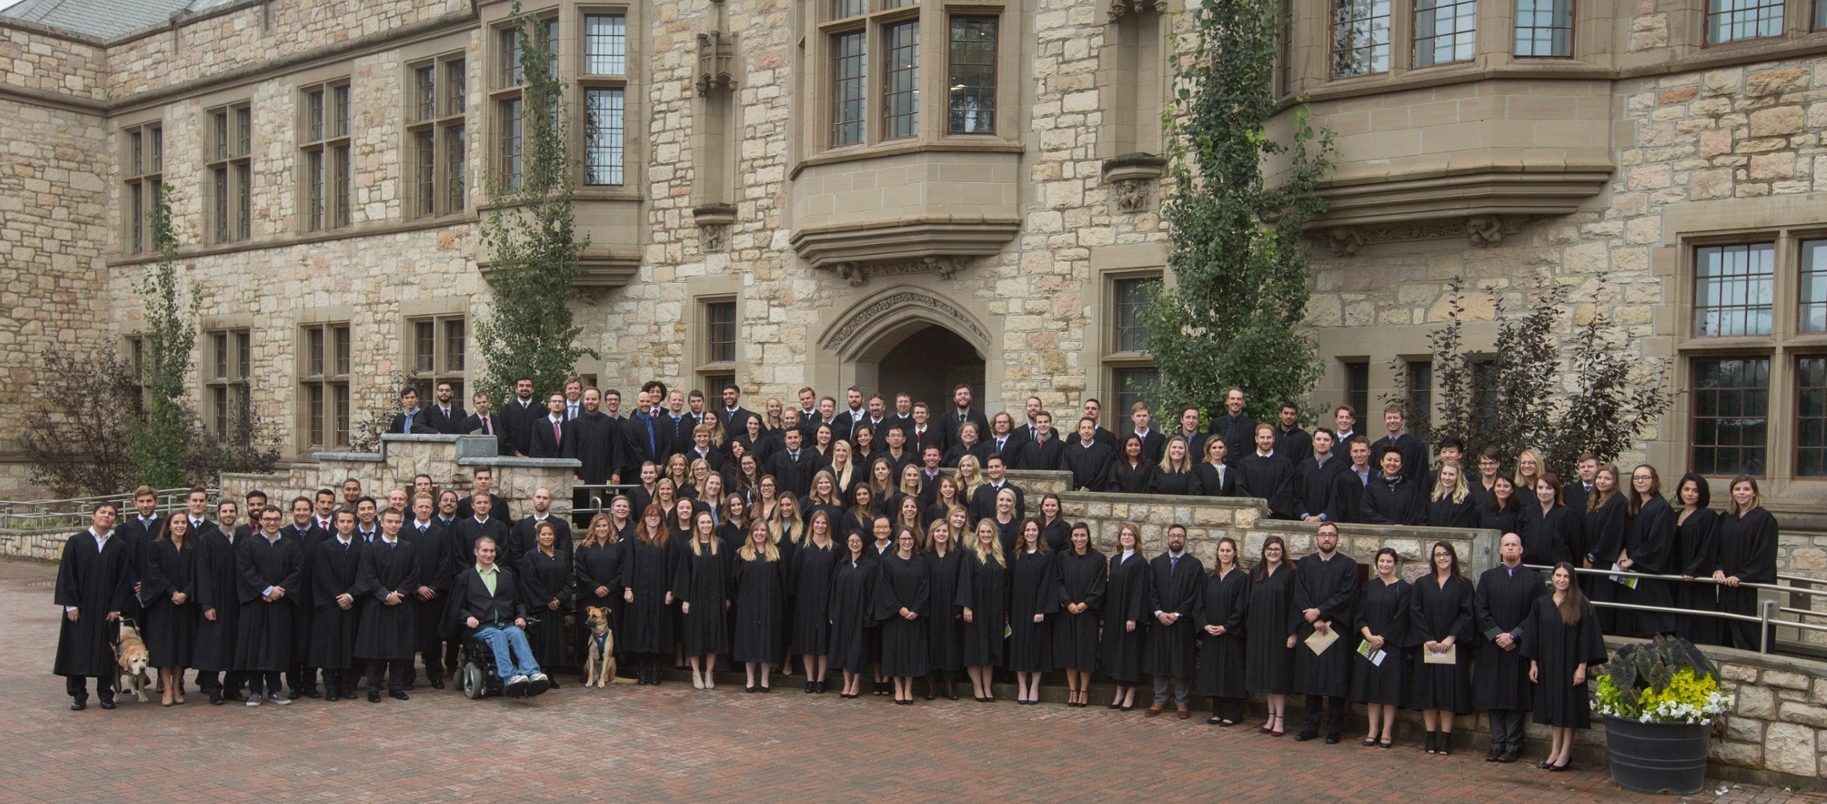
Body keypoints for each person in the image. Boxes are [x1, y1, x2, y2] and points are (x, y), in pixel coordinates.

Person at [1523, 562, 1608, 772]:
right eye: (1558, 575)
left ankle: (1565, 753)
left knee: (1569, 708)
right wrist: (1533, 663)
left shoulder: (1582, 605)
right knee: (1554, 707)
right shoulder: (1541, 604)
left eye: (1566, 576)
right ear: (1552, 577)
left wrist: (1582, 667)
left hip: (1571, 665)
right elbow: (1533, 635)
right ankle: (1554, 751)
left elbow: (1587, 638)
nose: (1562, 580)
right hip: (1548, 664)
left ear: (1572, 579)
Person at [1474, 533, 1545, 763]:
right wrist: (1498, 635)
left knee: (1516, 696)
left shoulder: (1534, 579)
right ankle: (1496, 743)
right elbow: (1480, 609)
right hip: (1493, 646)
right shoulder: (1488, 577)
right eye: (1506, 544)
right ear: (1500, 549)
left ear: (1521, 549)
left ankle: (1513, 745)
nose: (1510, 548)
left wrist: (1514, 635)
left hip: (1520, 647)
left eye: (1514, 544)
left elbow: (1537, 612)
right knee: (1494, 695)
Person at [54, 502, 131, 711]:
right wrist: (71, 605)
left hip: (106, 609)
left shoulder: (119, 547)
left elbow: (123, 579)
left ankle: (106, 694)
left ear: (115, 518)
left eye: (111, 513)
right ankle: (78, 695)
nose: (106, 516)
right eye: (102, 512)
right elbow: (67, 574)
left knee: (105, 652)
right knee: (76, 650)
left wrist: (116, 607)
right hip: (81, 608)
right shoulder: (76, 542)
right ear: (93, 516)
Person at [450, 535, 548, 696]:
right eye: (485, 551)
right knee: (497, 636)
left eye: (492, 551)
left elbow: (518, 601)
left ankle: (532, 672)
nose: (489, 554)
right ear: (476, 552)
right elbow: (456, 608)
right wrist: (468, 616)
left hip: (505, 623)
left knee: (517, 633)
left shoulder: (506, 575)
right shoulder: (465, 578)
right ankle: (509, 676)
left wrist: (521, 616)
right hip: (481, 626)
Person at [1293, 521, 1358, 743]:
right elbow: (1299, 592)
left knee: (1335, 680)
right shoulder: (1305, 563)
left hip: (1336, 629)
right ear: (1316, 538)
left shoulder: (1348, 565)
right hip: (1311, 628)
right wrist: (1314, 618)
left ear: (1337, 539)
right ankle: (1310, 726)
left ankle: (1334, 728)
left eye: (1331, 535)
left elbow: (1346, 595)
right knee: (1311, 679)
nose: (1327, 538)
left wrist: (1320, 612)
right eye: (1323, 534)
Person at [1410, 540, 1474, 755]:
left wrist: (1450, 638)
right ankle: (1430, 736)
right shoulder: (1422, 584)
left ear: (1452, 557)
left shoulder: (1463, 585)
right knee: (1428, 690)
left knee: (1449, 692)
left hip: (1452, 647)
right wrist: (1427, 638)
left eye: (1446, 554)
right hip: (1427, 646)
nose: (1442, 558)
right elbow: (1415, 612)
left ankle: (1446, 737)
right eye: (1438, 555)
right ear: (1433, 559)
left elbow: (1467, 614)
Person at [235, 506, 303, 707]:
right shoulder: (249, 544)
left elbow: (297, 570)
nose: (272, 522)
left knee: (276, 645)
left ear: (281, 519)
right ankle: (255, 691)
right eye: (267, 519)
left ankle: (275, 689)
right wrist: (265, 589)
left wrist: (280, 590)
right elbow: (245, 570)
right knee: (255, 646)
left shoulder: (290, 546)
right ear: (260, 520)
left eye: (275, 519)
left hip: (280, 604)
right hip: (256, 603)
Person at [355, 509, 421, 703]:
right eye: (389, 521)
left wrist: (398, 593)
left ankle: (396, 686)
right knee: (375, 649)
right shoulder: (371, 548)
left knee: (399, 648)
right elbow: (367, 576)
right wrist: (385, 595)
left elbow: (414, 574)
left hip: (401, 604)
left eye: (396, 522)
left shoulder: (409, 548)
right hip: (377, 605)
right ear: (381, 523)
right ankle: (373, 688)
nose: (393, 525)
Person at [1351, 548, 1411, 748]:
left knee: (1390, 690)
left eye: (1389, 561)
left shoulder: (1403, 588)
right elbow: (1359, 614)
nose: (1385, 564)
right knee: (1372, 688)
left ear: (1395, 564)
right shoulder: (1368, 586)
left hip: (1392, 645)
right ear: (1376, 563)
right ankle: (1372, 730)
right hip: (1369, 644)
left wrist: (1382, 637)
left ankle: (1386, 732)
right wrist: (1369, 636)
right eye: (1382, 561)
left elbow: (1402, 618)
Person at [1143, 524, 1202, 720]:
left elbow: (1194, 594)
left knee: (1180, 662)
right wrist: (1159, 613)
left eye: (1180, 536)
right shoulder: (1156, 563)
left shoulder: (1194, 565)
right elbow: (1151, 590)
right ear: (1167, 538)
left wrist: (1177, 614)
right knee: (1159, 660)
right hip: (1159, 621)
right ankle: (1159, 700)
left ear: (1185, 539)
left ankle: (1182, 702)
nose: (1176, 539)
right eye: (1173, 535)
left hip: (1182, 622)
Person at [1715, 476, 1779, 651]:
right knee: (1727, 625)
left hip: (1749, 586)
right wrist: (1718, 567)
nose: (1741, 493)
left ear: (1754, 493)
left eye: (1746, 489)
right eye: (1737, 489)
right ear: (1732, 493)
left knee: (1749, 628)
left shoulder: (1764, 519)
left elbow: (1765, 553)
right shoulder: (1726, 517)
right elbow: (1716, 547)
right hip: (1728, 584)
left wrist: (1742, 575)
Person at [1195, 537, 1251, 726]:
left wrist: (1227, 626)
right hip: (1211, 633)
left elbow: (1241, 607)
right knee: (1214, 672)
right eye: (1222, 550)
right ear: (1217, 553)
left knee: (1231, 672)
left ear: (1235, 553)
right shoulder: (1209, 577)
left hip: (1231, 634)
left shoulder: (1241, 578)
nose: (1225, 554)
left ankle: (1234, 713)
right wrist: (1204, 624)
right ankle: (1217, 712)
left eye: (1228, 550)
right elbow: (1199, 604)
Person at [308, 510, 363, 701]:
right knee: (330, 648)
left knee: (348, 647)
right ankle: (330, 687)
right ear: (335, 524)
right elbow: (323, 575)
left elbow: (363, 575)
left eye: (349, 521)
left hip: (352, 605)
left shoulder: (361, 548)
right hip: (330, 605)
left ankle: (345, 686)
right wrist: (339, 597)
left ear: (354, 524)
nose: (346, 524)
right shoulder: (324, 547)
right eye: (342, 521)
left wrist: (350, 595)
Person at [1245, 535, 1296, 736]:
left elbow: (1294, 604)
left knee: (1277, 677)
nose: (1273, 552)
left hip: (1279, 633)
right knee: (1266, 677)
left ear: (1282, 551)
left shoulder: (1290, 573)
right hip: (1260, 632)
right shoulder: (1256, 572)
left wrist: (1292, 632)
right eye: (1269, 549)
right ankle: (1270, 716)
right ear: (1264, 551)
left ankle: (1280, 719)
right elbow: (1248, 602)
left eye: (1276, 549)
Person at [1618, 465, 1677, 637]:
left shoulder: (1660, 507)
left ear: (1654, 480)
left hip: (1649, 571)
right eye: (1636, 478)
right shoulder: (1636, 505)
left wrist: (1634, 559)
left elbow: (1658, 540)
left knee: (1652, 620)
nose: (1640, 481)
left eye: (1645, 477)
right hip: (1633, 569)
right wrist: (1624, 552)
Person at [674, 510, 730, 690]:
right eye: (702, 523)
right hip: (695, 598)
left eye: (708, 522)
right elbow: (684, 574)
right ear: (697, 525)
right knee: (695, 636)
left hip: (715, 598)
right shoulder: (689, 546)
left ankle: (709, 673)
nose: (705, 525)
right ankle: (696, 672)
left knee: (713, 635)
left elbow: (727, 573)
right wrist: (686, 599)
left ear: (712, 525)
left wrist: (727, 597)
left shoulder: (720, 545)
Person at [621, 505, 677, 686]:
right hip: (639, 590)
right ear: (644, 517)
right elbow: (629, 562)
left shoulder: (668, 538)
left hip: (660, 591)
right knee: (641, 628)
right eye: (649, 515)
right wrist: (628, 588)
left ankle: (656, 669)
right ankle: (642, 669)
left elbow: (671, 566)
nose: (653, 518)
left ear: (661, 518)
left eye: (656, 516)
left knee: (658, 629)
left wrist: (670, 590)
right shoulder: (635, 537)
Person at [1051, 522, 1105, 708]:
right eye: (1076, 535)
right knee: (1069, 651)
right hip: (1067, 611)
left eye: (1083, 535)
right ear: (1071, 538)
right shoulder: (1063, 557)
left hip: (1088, 613)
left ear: (1088, 537)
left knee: (1085, 651)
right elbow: (1058, 581)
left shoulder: (1098, 559)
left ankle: (1084, 690)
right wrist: (1067, 602)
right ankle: (1072, 689)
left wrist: (1085, 604)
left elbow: (1100, 585)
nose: (1079, 539)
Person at [875, 527, 930, 705]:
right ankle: (898, 688)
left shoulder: (921, 562)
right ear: (898, 540)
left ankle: (908, 689)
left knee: (912, 651)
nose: (907, 542)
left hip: (915, 615)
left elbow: (925, 587)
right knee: (895, 651)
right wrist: (899, 608)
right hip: (895, 615)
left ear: (914, 541)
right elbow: (885, 588)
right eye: (904, 538)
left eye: (910, 539)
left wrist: (916, 609)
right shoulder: (888, 562)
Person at [732, 519, 787, 693]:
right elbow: (735, 582)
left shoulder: (777, 554)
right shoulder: (742, 554)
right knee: (749, 640)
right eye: (756, 530)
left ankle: (764, 678)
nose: (759, 533)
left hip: (770, 604)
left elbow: (782, 582)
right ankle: (750, 679)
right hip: (748, 604)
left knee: (767, 640)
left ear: (768, 533)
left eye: (763, 530)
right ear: (751, 533)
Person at [1007, 518, 1057, 706]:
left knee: (1037, 648)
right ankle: (1022, 687)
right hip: (1018, 609)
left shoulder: (1047, 556)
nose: (1030, 533)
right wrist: (1007, 609)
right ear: (1022, 533)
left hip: (1037, 610)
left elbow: (1048, 583)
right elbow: (1009, 583)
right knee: (1018, 648)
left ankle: (1034, 687)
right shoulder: (1015, 555)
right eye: (1027, 530)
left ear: (1039, 533)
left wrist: (1041, 609)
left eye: (1034, 530)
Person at [516, 521, 572, 685]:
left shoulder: (562, 556)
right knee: (541, 641)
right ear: (537, 537)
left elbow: (568, 580)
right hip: (540, 608)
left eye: (550, 534)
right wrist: (547, 599)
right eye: (543, 534)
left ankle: (552, 674)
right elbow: (530, 581)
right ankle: (538, 673)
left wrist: (559, 598)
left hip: (557, 607)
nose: (547, 537)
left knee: (556, 641)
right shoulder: (530, 557)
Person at [958, 518, 1008, 703]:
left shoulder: (999, 556)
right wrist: (967, 606)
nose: (986, 535)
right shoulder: (971, 555)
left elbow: (1006, 585)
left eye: (989, 532)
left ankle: (987, 687)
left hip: (995, 609)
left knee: (991, 648)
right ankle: (977, 687)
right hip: (976, 609)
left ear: (994, 534)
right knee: (975, 648)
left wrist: (1005, 609)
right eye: (982, 532)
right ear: (978, 534)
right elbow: (965, 581)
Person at [1102, 522, 1148, 711]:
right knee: (1117, 654)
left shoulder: (1140, 562)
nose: (1127, 537)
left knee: (1130, 654)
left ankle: (1130, 693)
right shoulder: (1115, 560)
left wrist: (1133, 616)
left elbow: (1140, 591)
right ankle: (1119, 691)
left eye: (1130, 535)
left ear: (1136, 539)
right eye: (1124, 534)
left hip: (1130, 617)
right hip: (1115, 614)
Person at [793, 510, 839, 693]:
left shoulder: (834, 549)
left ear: (828, 526)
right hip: (806, 600)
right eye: (817, 522)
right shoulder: (802, 548)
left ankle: (821, 679)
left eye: (823, 523)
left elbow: (838, 577)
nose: (820, 526)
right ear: (811, 524)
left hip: (826, 601)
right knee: (807, 640)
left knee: (823, 641)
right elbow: (795, 576)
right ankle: (810, 679)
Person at [1673, 473, 1721, 645]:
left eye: (1695, 490)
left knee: (1697, 617)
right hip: (1677, 575)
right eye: (1686, 489)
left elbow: (1709, 546)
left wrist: (1693, 569)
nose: (1690, 494)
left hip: (1696, 577)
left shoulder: (1708, 516)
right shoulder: (1675, 515)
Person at [828, 531, 876, 699]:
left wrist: (868, 615)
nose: (854, 544)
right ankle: (846, 683)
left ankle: (856, 683)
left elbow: (873, 593)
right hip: (842, 613)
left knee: (858, 649)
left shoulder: (870, 566)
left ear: (863, 544)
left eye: (858, 541)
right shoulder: (841, 565)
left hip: (860, 614)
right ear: (847, 543)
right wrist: (832, 612)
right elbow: (833, 590)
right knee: (843, 648)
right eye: (851, 541)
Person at [923, 519, 967, 701]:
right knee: (930, 644)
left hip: (950, 608)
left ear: (949, 534)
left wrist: (959, 606)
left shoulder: (957, 555)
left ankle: (949, 684)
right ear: (932, 533)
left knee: (950, 644)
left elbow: (962, 582)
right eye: (938, 531)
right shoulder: (924, 556)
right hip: (930, 609)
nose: (941, 534)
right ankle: (930, 684)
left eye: (944, 531)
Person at [1583, 464, 1627, 633]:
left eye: (1607, 478)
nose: (1602, 481)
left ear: (1614, 481)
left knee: (1603, 601)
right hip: (1591, 558)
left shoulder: (1618, 502)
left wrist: (1592, 556)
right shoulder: (1594, 499)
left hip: (1605, 561)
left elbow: (1611, 532)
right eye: (1599, 478)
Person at [1237, 424, 1296, 518]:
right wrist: (1257, 506)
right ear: (1256, 439)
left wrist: (1269, 507)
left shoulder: (1285, 464)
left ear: (1274, 439)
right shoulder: (1244, 464)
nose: (1265, 441)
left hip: (1277, 515)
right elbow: (1241, 489)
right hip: (1250, 515)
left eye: (1269, 437)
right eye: (1262, 437)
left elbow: (1285, 489)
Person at [1518, 473, 1578, 567]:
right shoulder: (1527, 513)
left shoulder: (1566, 514)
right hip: (1529, 566)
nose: (1543, 492)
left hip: (1557, 568)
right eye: (1540, 488)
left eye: (1549, 488)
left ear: (1555, 490)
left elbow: (1575, 545)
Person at [1359, 444, 1424, 525]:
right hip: (1380, 532)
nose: (1392, 463)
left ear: (1401, 465)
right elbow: (1367, 513)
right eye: (1389, 460)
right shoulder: (1371, 488)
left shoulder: (1411, 487)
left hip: (1406, 531)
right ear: (1381, 462)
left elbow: (1416, 513)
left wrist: (1403, 528)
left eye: (1396, 461)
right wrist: (1390, 525)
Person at [1291, 429, 1339, 518]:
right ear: (1313, 442)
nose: (1322, 443)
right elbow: (1295, 495)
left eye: (1326, 440)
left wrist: (1322, 517)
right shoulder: (1303, 467)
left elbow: (1339, 499)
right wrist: (1304, 515)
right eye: (1318, 439)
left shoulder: (1340, 468)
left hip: (1329, 522)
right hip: (1304, 521)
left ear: (1332, 443)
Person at [1327, 436, 1373, 523]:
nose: (1359, 455)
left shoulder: (1377, 477)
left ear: (1369, 451)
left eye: (1362, 451)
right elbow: (1335, 509)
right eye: (1355, 451)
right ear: (1350, 453)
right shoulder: (1342, 479)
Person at [1424, 460, 1478, 528]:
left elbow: (1463, 523)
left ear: (1458, 477)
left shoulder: (1466, 499)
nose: (1447, 478)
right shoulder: (1434, 497)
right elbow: (1425, 519)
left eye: (1451, 474)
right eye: (1444, 473)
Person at [1208, 387, 1255, 461]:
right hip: (1221, 465)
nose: (1235, 402)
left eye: (1239, 399)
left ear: (1243, 402)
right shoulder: (1216, 424)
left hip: (1245, 466)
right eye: (1232, 398)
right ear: (1227, 401)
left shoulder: (1252, 425)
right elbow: (1209, 447)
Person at [1193, 434, 1239, 499]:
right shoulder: (1199, 469)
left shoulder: (1231, 472)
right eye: (1214, 447)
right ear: (1209, 450)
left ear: (1225, 450)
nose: (1217, 450)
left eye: (1220, 447)